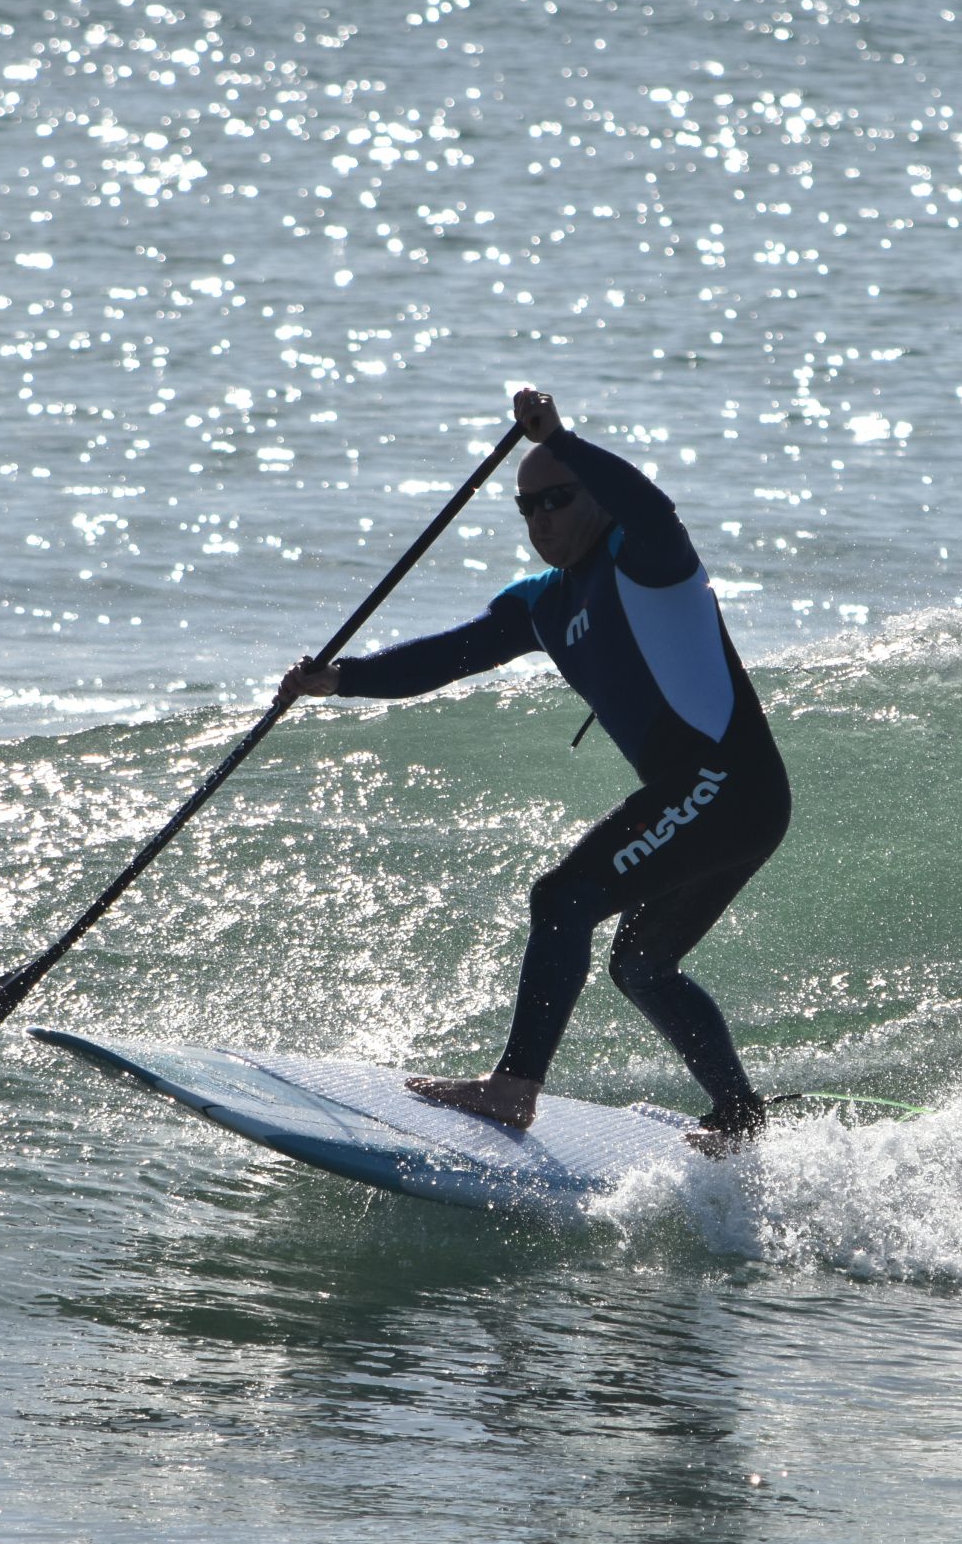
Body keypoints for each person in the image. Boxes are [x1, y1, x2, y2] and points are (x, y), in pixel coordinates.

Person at [281, 387, 790, 1147]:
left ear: (590, 496)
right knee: (642, 964)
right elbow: (444, 658)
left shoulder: (647, 556)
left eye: (556, 498)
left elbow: (651, 502)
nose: (542, 518)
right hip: (716, 798)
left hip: (725, 784)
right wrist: (340, 679)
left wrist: (565, 437)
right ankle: (741, 1116)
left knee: (565, 895)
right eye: (527, 508)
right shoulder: (540, 605)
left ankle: (514, 1087)